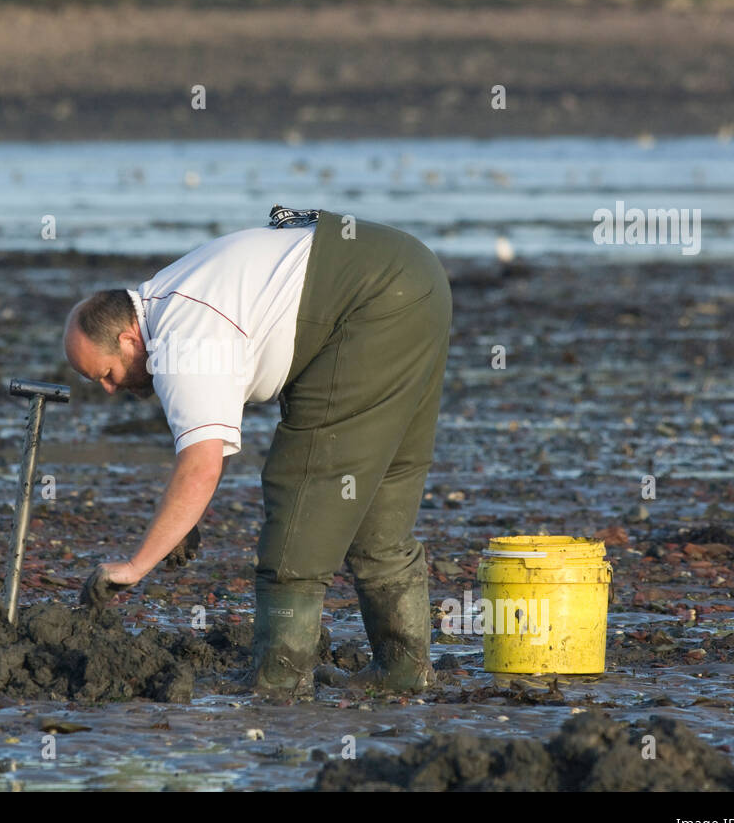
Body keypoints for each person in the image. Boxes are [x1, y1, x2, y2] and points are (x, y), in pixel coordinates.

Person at [63, 205, 452, 698]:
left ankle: (280, 679)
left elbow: (201, 463)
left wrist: (137, 565)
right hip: (415, 274)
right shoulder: (172, 297)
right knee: (377, 502)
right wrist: (182, 521)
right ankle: (403, 674)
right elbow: (209, 444)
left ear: (126, 339)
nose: (109, 391)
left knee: (301, 487)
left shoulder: (184, 336)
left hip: (368, 299)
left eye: (105, 375)